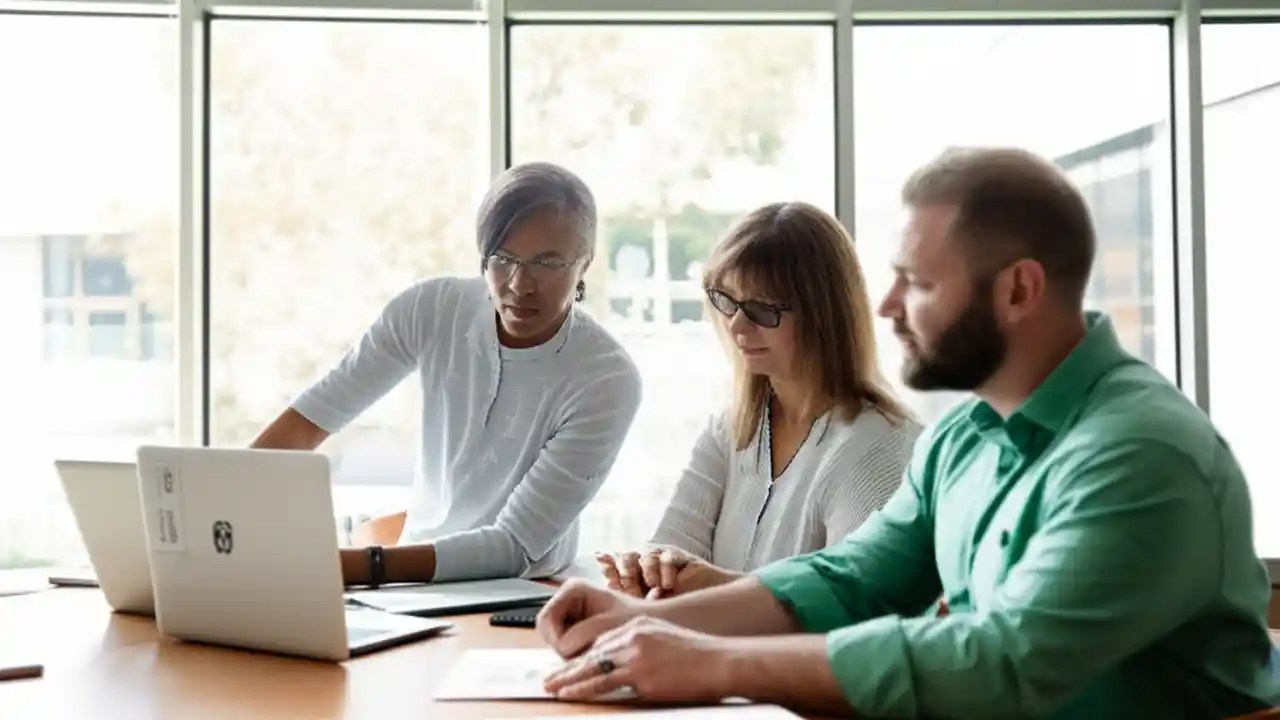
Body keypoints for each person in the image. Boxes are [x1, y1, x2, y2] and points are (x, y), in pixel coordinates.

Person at [535, 148, 1280, 719]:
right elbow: (851, 578)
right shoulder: (963, 438)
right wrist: (644, 619)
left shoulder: (1139, 455)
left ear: (1018, 289)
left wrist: (713, 663)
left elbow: (1005, 661)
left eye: (918, 283)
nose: (886, 306)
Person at [251, 162, 642, 586]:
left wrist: (344, 566)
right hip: (408, 580)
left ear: (584, 263)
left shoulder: (606, 379)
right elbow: (308, 422)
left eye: (546, 263)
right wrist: (218, 522)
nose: (518, 284)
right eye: (502, 258)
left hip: (521, 595)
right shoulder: (432, 309)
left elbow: (514, 546)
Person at [595, 202, 919, 599]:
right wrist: (651, 569)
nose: (736, 324)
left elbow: (854, 608)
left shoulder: (876, 444)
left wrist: (712, 587)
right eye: (726, 300)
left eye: (763, 309)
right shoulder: (732, 426)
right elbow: (676, 545)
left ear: (824, 315)